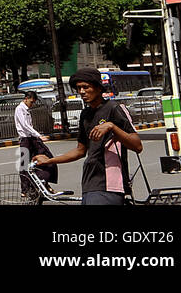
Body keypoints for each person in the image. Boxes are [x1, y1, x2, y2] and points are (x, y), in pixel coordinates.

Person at [35, 68, 142, 205]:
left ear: (98, 88)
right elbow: (80, 150)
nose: (81, 91)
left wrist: (112, 127)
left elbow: (137, 145)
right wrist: (49, 160)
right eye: (78, 88)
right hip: (90, 182)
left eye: (86, 87)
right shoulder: (85, 115)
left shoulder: (114, 109)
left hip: (109, 183)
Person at [14, 91, 56, 195]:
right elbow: (25, 125)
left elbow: (29, 126)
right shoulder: (20, 109)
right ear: (26, 98)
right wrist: (39, 135)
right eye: (31, 102)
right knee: (24, 164)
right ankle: (25, 189)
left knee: (45, 157)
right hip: (25, 139)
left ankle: (43, 184)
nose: (32, 104)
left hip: (32, 139)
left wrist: (37, 137)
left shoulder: (27, 109)